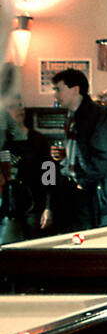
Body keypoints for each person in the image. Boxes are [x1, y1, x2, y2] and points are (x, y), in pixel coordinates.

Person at [51, 68, 107, 230]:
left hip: (98, 193)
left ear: (75, 89)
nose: (55, 95)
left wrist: (83, 180)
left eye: (58, 89)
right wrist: (66, 157)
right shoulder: (72, 116)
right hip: (81, 190)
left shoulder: (99, 114)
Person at [1, 96, 54, 243]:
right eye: (12, 106)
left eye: (20, 105)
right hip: (8, 208)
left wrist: (49, 207)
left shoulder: (38, 139)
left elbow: (49, 174)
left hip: (34, 206)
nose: (19, 109)